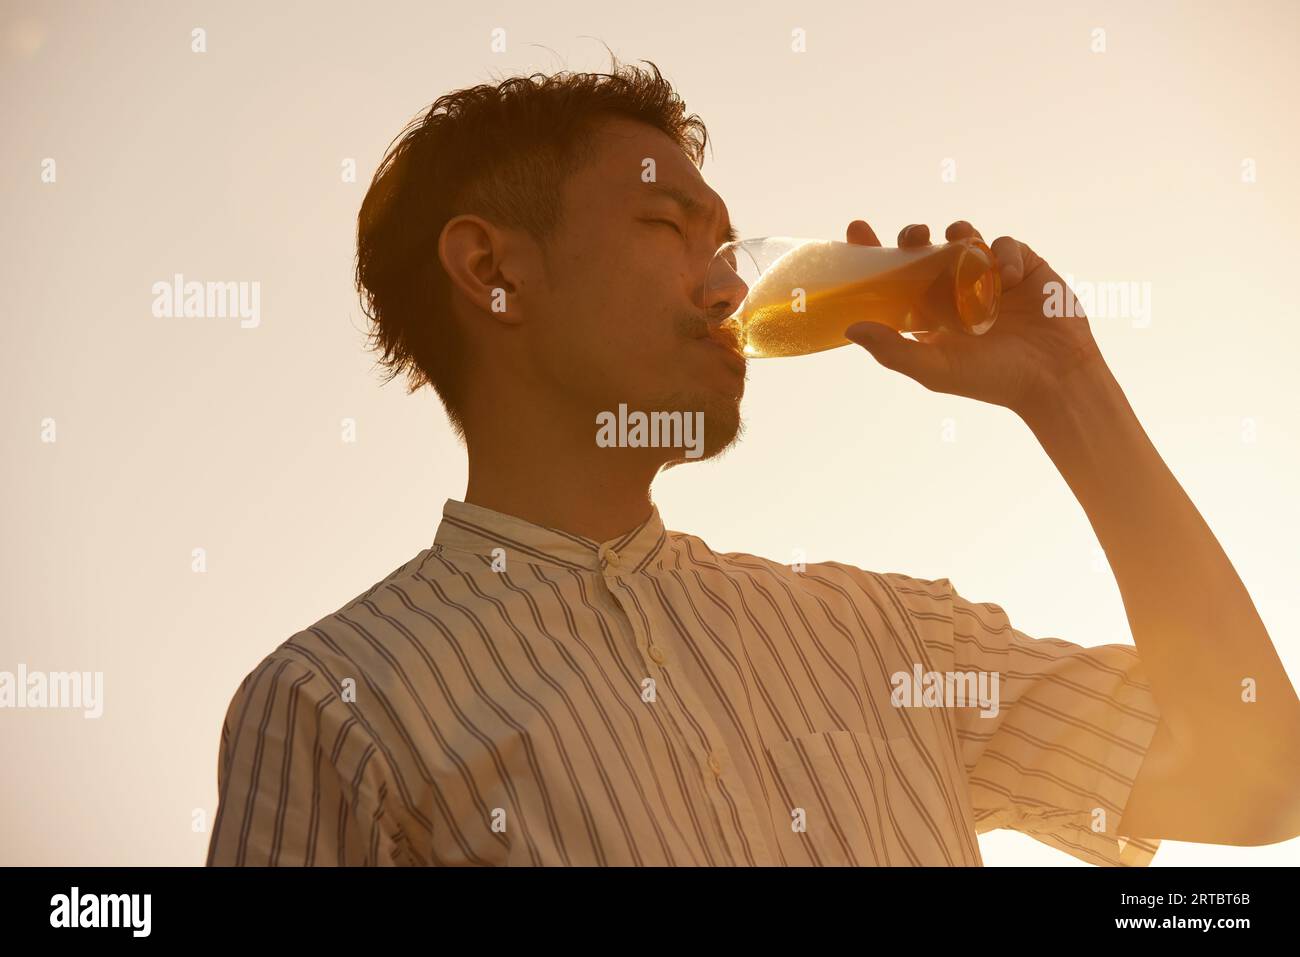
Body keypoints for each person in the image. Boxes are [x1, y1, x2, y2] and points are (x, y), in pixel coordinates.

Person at [206, 59, 1300, 866]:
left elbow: (1257, 778)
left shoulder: (887, 636)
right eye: (663, 226)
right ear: (492, 269)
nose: (731, 289)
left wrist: (1070, 393)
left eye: (726, 245)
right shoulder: (336, 705)